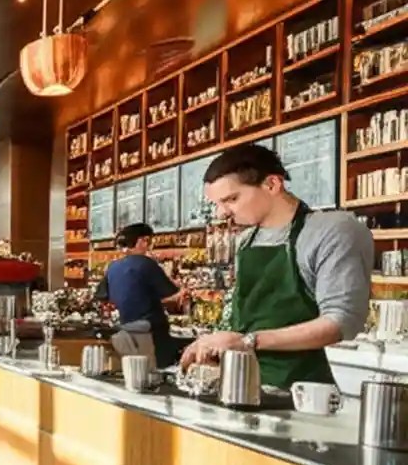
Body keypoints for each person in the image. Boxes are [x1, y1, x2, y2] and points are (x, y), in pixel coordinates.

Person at [180, 144, 373, 389]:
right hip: (242, 384)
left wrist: (248, 341)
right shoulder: (245, 240)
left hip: (301, 393)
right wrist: (214, 343)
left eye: (231, 199)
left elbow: (340, 323)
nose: (222, 213)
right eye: (218, 204)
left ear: (272, 184)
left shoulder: (329, 230)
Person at [94, 223, 186, 369]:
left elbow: (102, 296)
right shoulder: (146, 264)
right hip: (152, 332)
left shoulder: (113, 267)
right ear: (142, 241)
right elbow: (171, 293)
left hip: (124, 332)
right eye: (148, 241)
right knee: (160, 373)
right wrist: (182, 291)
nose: (149, 246)